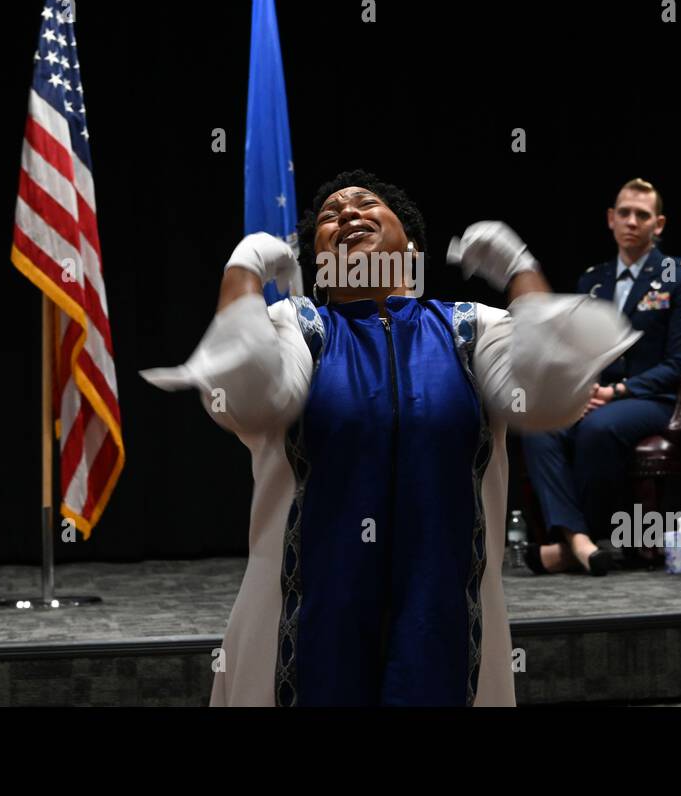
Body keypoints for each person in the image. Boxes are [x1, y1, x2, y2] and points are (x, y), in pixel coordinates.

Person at [141, 170, 639, 706]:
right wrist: (243, 268)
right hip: (298, 631)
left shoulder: (471, 330)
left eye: (366, 204)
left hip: (450, 630)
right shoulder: (294, 326)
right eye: (330, 216)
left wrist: (522, 272)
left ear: (413, 247)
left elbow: (548, 393)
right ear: (320, 264)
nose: (347, 214)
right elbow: (245, 397)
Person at [521, 178, 681, 575]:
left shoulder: (680, 277)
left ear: (659, 224)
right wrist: (579, 391)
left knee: (598, 428)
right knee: (539, 427)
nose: (632, 221)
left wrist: (618, 391)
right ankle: (579, 542)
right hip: (599, 394)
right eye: (624, 213)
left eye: (642, 215)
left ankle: (571, 546)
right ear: (610, 219)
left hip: (654, 400)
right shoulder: (593, 280)